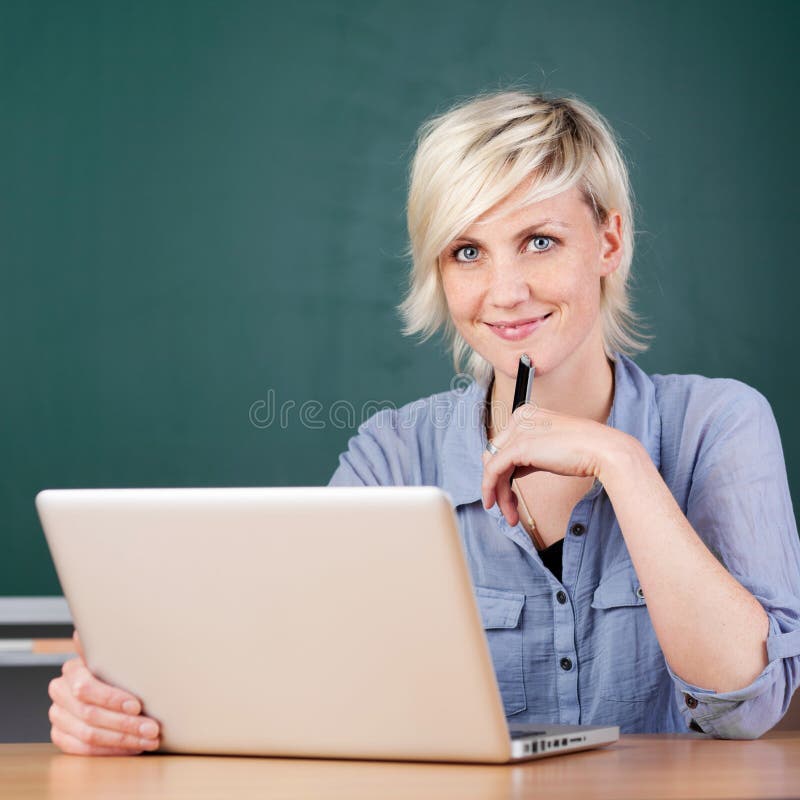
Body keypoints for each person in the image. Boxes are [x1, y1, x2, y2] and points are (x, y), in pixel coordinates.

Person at [47, 90, 800, 754]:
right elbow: (298, 673)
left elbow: (748, 705)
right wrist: (113, 703)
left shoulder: (719, 424)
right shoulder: (392, 457)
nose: (503, 292)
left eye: (540, 241)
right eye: (466, 251)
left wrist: (623, 465)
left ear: (608, 241)